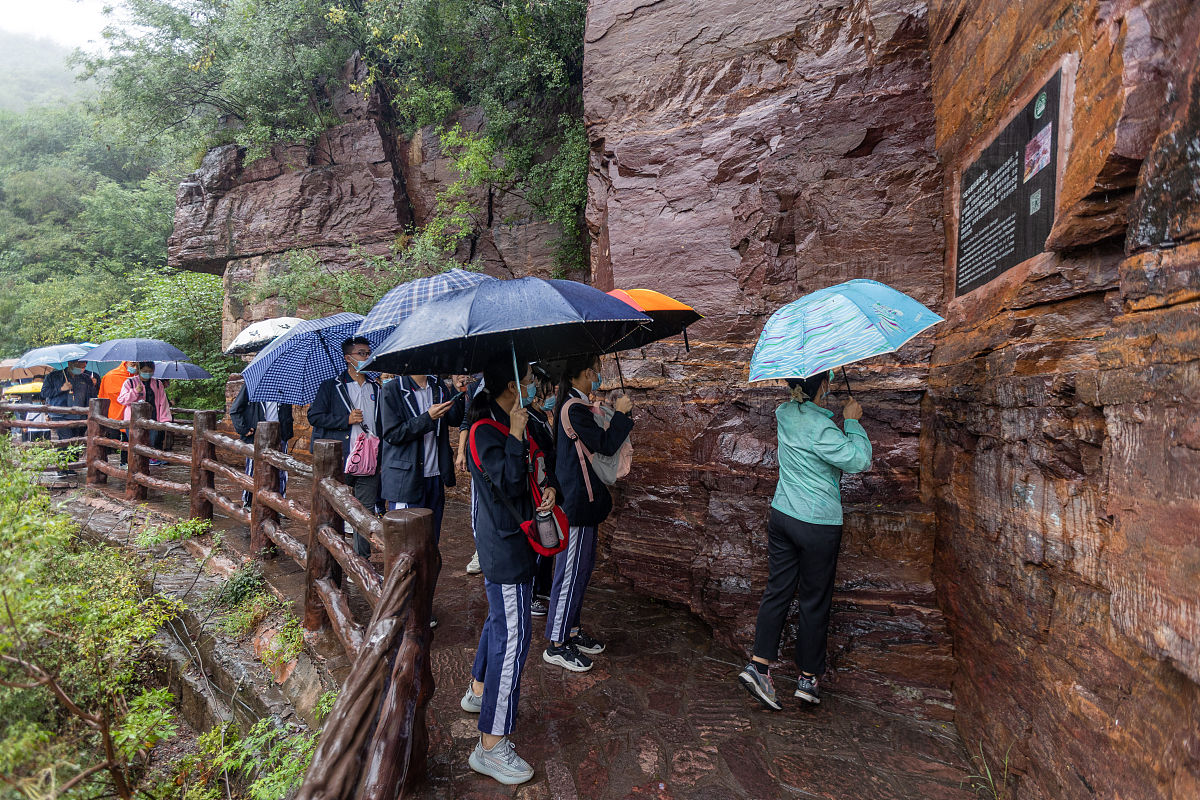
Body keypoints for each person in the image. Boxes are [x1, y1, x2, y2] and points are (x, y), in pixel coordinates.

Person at [736, 371, 871, 710]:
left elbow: (804, 412)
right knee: (813, 600)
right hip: (817, 524)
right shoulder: (822, 427)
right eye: (827, 382)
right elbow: (859, 460)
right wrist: (852, 422)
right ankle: (807, 680)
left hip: (783, 515)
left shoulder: (784, 413)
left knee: (778, 590)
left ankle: (759, 667)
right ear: (822, 386)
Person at [459, 359, 556, 786]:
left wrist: (548, 486)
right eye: (530, 381)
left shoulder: (518, 421)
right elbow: (508, 484)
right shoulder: (484, 432)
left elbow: (532, 475)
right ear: (512, 386)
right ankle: (492, 746)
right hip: (504, 547)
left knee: (500, 624)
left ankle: (479, 692)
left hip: (519, 542)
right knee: (513, 639)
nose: (535, 387)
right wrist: (517, 435)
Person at [543, 355, 634, 673]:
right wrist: (621, 415)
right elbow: (606, 445)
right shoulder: (573, 408)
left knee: (581, 570)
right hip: (578, 503)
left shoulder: (575, 404)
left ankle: (570, 628)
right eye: (596, 370)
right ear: (584, 373)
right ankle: (556, 643)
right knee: (569, 574)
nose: (599, 376)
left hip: (586, 501)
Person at [307, 337, 383, 557]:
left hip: (369, 459)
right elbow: (315, 416)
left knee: (365, 513)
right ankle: (334, 555)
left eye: (369, 353)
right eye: (361, 353)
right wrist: (345, 419)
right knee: (335, 509)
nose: (366, 357)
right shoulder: (331, 387)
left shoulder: (375, 389)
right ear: (348, 358)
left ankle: (361, 561)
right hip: (341, 458)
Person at [525, 368, 558, 617]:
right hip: (538, 486)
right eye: (545, 392)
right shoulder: (529, 420)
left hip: (547, 485)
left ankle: (544, 586)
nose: (547, 397)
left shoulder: (542, 417)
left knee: (549, 536)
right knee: (540, 537)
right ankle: (533, 593)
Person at [229, 383, 293, 507]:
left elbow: (286, 413)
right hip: (258, 435)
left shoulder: (285, 386)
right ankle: (248, 501)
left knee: (281, 470)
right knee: (253, 469)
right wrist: (244, 429)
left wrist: (286, 432)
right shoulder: (252, 386)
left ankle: (280, 503)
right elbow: (235, 410)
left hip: (279, 434)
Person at [40, 360, 98, 475]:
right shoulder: (53, 376)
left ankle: (71, 465)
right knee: (66, 440)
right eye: (79, 366)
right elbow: (44, 393)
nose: (81, 369)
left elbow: (93, 396)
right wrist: (61, 389)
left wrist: (94, 385)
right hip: (59, 414)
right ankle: (62, 468)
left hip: (80, 415)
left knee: (76, 441)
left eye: (84, 366)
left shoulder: (86, 378)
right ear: (70, 364)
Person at [116, 361, 173, 457]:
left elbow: (163, 403)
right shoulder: (130, 382)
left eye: (150, 371)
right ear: (139, 370)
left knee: (151, 443)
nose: (147, 373)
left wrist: (165, 420)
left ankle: (151, 462)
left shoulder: (158, 384)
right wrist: (135, 391)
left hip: (153, 419)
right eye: (145, 371)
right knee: (136, 444)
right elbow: (122, 400)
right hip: (134, 420)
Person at [99, 362, 136, 465]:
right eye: (133, 364)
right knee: (109, 439)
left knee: (128, 438)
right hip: (113, 411)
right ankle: (101, 462)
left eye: (137, 365)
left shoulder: (138, 377)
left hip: (130, 412)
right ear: (126, 362)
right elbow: (104, 395)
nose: (135, 367)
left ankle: (125, 462)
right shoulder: (111, 376)